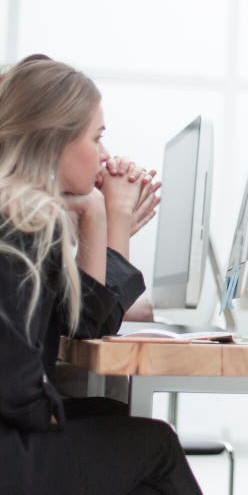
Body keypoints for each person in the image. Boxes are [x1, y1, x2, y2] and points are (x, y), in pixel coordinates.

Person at [0, 57, 201, 494]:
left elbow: (87, 323)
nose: (106, 155)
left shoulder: (27, 216)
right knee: (157, 445)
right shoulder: (19, 225)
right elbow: (12, 377)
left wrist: (104, 217)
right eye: (97, 137)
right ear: (54, 144)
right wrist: (47, 410)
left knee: (114, 418)